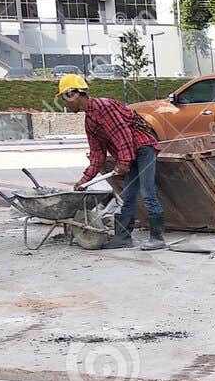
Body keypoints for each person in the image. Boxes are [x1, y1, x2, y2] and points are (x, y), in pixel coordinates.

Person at [58, 74, 163, 250]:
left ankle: (157, 238)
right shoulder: (90, 120)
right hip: (130, 153)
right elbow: (97, 154)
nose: (65, 103)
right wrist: (85, 181)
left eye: (65, 98)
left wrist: (124, 162)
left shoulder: (104, 107)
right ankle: (123, 238)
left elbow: (123, 136)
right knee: (128, 196)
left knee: (147, 190)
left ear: (73, 94)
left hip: (144, 148)